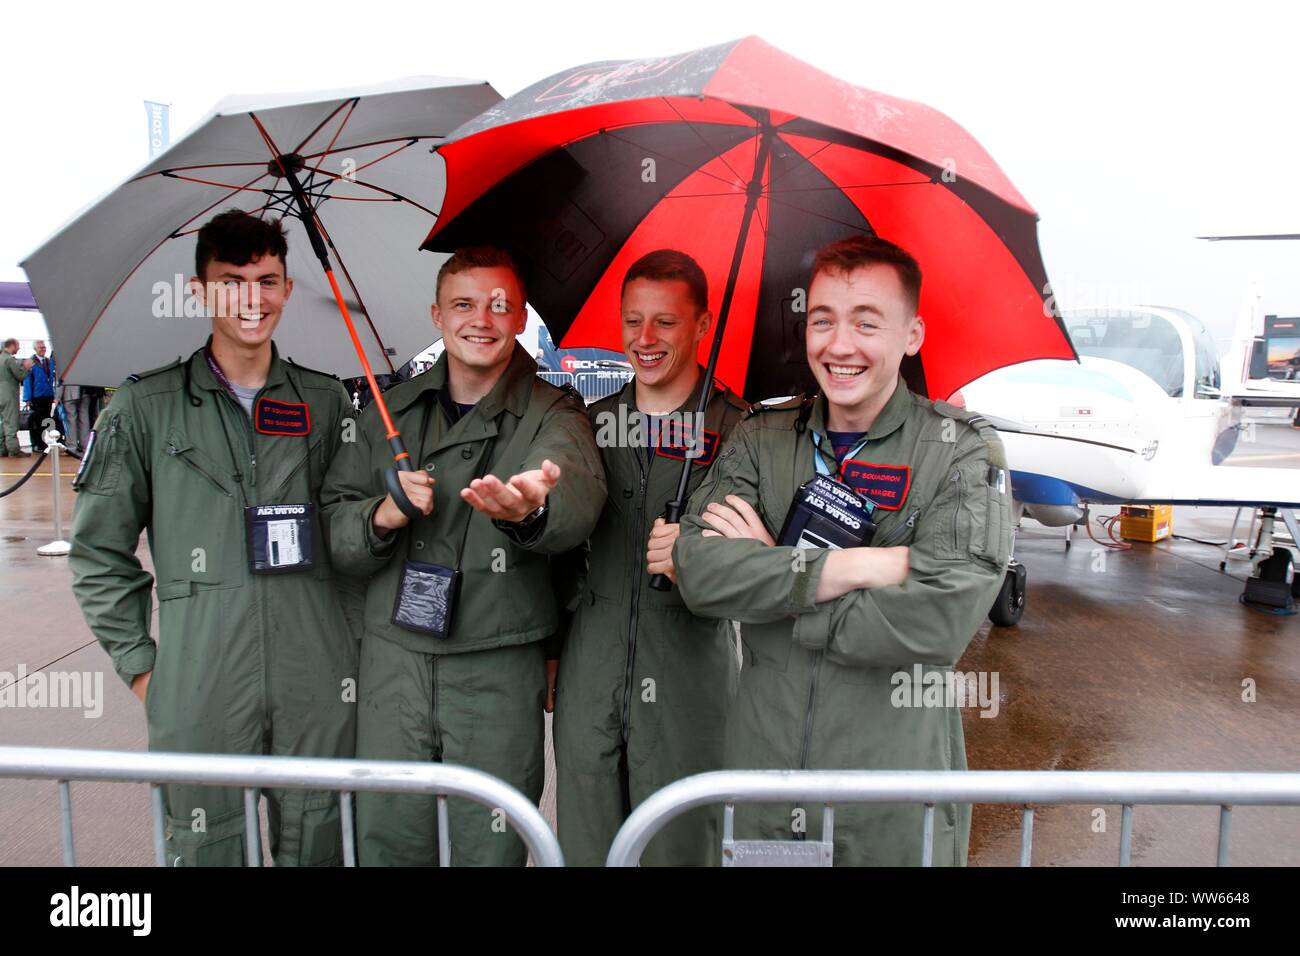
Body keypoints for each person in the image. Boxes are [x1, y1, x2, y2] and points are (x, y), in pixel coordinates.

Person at [673, 235, 1013, 866]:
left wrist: (775, 576)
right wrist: (851, 566)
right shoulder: (761, 437)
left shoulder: (961, 451)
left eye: (866, 322)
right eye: (822, 320)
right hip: (764, 788)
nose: (839, 345)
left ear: (911, 335)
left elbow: (938, 620)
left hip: (889, 800)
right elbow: (699, 573)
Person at [69, 209, 360, 866]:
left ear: (288, 288)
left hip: (315, 679)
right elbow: (97, 553)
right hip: (198, 684)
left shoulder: (328, 405)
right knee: (207, 851)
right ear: (199, 292)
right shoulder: (144, 409)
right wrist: (144, 669)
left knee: (320, 847)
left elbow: (353, 539)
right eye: (232, 281)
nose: (251, 299)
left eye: (267, 280)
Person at [320, 245, 605, 867]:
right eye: (465, 304)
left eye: (501, 305)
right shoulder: (386, 413)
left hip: (495, 664)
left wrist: (531, 508)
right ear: (437, 315)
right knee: (390, 838)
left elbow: (577, 492)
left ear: (521, 315)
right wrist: (381, 514)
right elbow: (335, 532)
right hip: (394, 664)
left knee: (490, 842)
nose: (483, 318)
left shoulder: (554, 410)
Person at [552, 249, 747, 866]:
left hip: (690, 667)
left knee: (681, 845)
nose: (645, 339)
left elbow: (762, 564)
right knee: (586, 842)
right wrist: (556, 649)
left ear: (702, 326)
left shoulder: (744, 431)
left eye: (665, 321)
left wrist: (703, 555)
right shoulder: (587, 421)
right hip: (592, 667)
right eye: (633, 320)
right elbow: (560, 547)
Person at [22, 340, 58, 452]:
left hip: (48, 395)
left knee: (46, 420)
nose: (43, 349)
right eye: (40, 347)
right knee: (36, 421)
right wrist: (27, 398)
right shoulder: (31, 362)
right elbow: (27, 381)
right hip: (36, 396)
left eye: (44, 347)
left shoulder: (49, 361)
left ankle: (44, 443)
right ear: (35, 349)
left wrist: (55, 395)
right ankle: (36, 444)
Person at [0, 338, 32, 457]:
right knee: (11, 423)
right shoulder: (9, 360)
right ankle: (14, 450)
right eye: (17, 346)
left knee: (3, 422)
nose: (18, 348)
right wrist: (26, 367)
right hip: (9, 395)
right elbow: (20, 376)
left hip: (1, 395)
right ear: (12, 345)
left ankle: (1, 449)